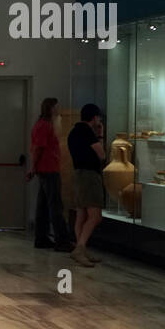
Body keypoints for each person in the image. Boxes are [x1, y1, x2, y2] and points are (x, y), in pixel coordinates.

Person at [27, 97, 72, 252]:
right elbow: (38, 149)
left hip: (46, 168)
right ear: (51, 108)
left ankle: (42, 238)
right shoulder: (44, 126)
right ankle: (62, 240)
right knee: (55, 205)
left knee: (44, 205)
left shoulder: (45, 125)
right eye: (56, 107)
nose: (59, 109)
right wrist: (33, 168)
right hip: (48, 169)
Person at [67, 104, 106, 268]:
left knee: (81, 214)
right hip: (90, 175)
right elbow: (102, 155)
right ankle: (81, 247)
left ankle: (80, 248)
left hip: (78, 174)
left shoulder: (73, 132)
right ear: (95, 117)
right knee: (95, 216)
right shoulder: (87, 132)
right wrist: (101, 135)